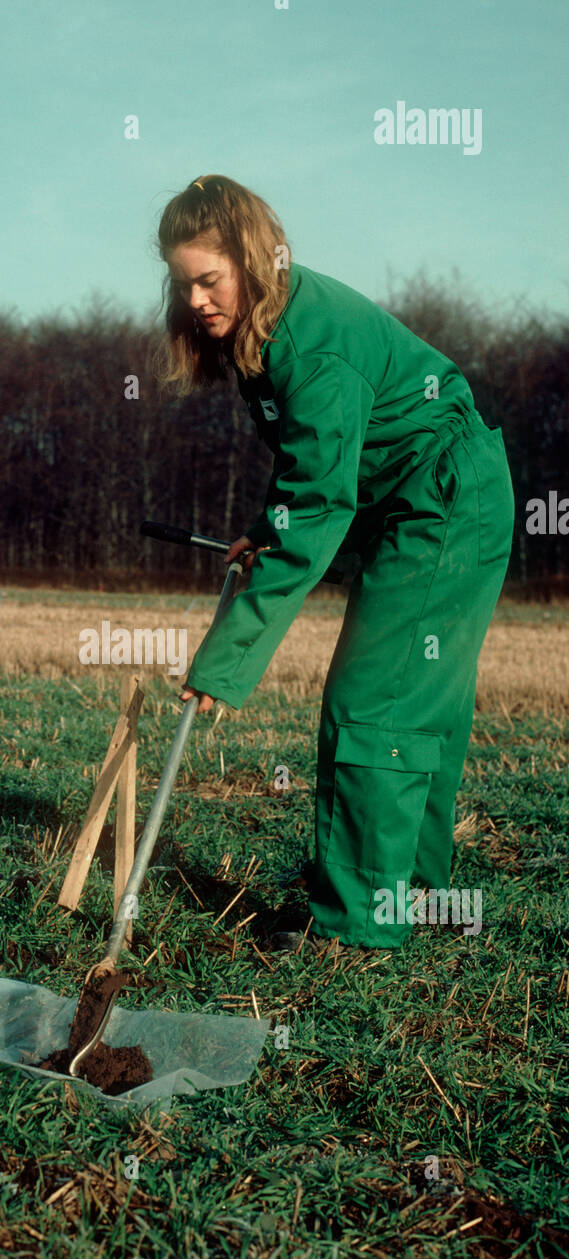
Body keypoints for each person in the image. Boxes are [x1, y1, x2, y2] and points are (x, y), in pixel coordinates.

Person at [152, 174, 515, 952]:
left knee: (372, 702)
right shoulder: (274, 330)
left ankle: (357, 927)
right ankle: (409, 896)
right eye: (181, 283)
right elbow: (310, 470)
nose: (194, 301)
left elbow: (320, 506)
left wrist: (226, 660)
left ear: (250, 259)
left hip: (445, 503)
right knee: (415, 703)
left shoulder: (310, 350)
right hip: (433, 499)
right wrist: (262, 525)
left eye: (208, 280)